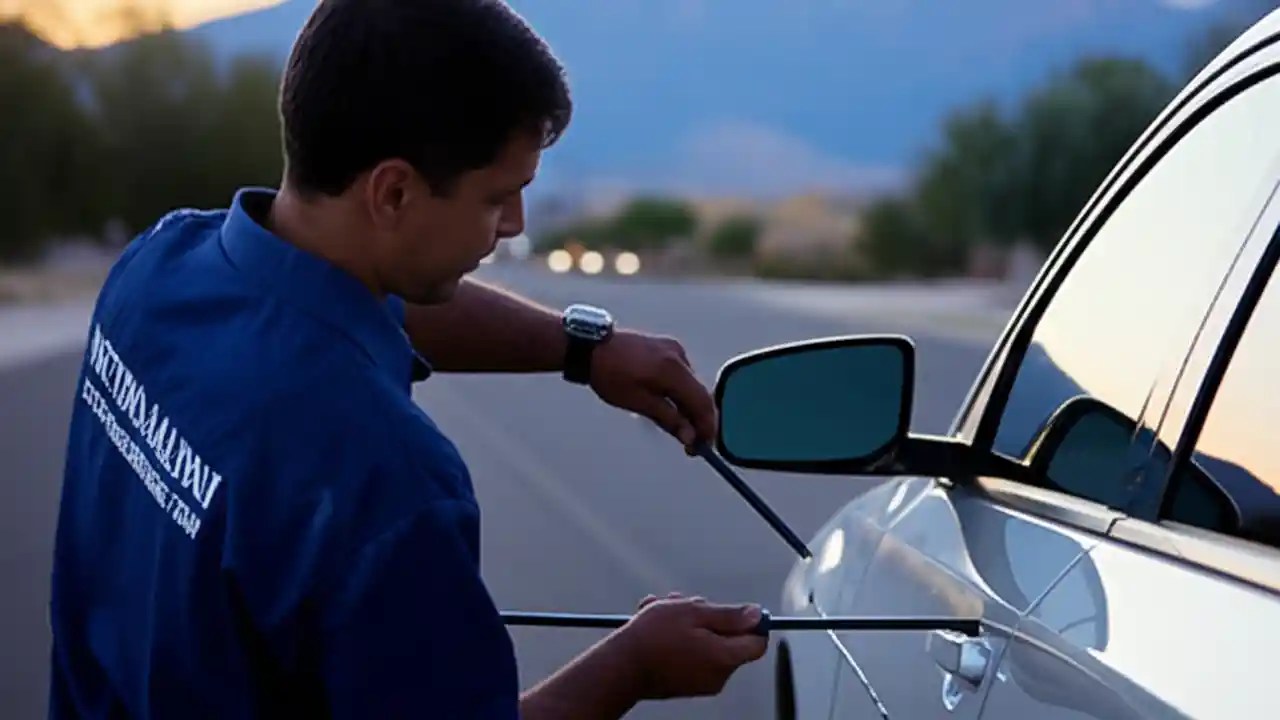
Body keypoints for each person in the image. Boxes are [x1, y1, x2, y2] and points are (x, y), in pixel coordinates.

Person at [47, 0, 768, 718]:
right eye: (499, 197)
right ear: (392, 192)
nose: (514, 224)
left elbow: (355, 301)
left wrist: (584, 347)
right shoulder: (383, 475)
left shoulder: (158, 267)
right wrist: (635, 665)